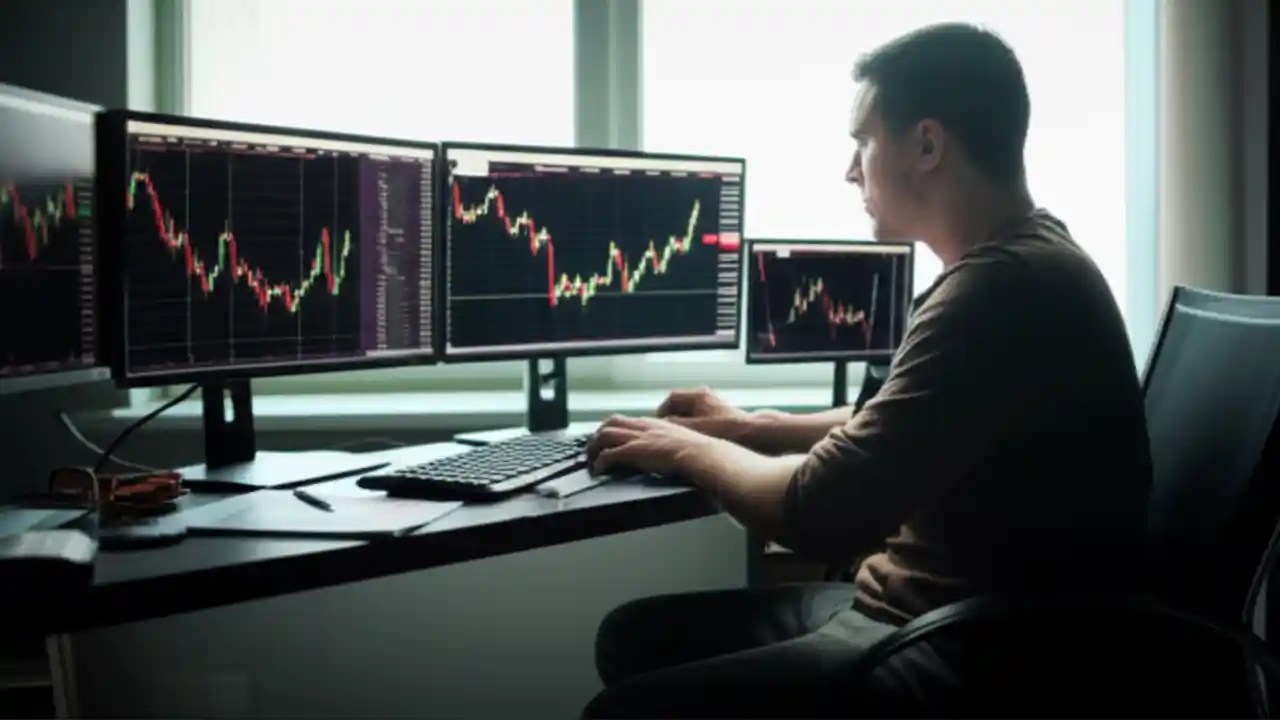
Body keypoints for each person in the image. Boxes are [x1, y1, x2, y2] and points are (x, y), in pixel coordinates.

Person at [582, 21, 1154, 718]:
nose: (851, 170)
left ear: (926, 144)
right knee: (633, 636)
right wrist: (749, 424)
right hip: (931, 611)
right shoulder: (1030, 256)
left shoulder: (999, 290)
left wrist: (688, 449)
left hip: (953, 647)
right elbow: (903, 421)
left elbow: (817, 514)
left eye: (862, 141)